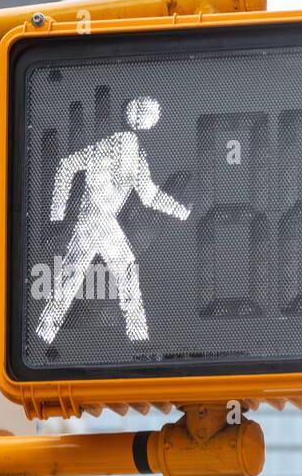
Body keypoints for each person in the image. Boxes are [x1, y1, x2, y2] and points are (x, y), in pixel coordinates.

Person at [36, 96, 189, 344]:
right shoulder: (107, 146)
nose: (151, 120)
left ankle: (45, 332)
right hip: (96, 221)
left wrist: (180, 211)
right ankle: (138, 338)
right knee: (113, 274)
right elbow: (66, 165)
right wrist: (57, 213)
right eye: (150, 114)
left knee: (71, 281)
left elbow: (148, 195)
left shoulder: (131, 152)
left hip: (99, 223)